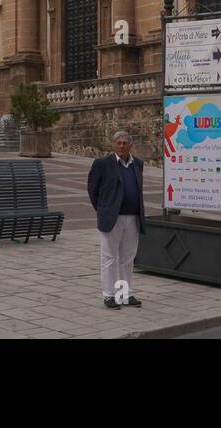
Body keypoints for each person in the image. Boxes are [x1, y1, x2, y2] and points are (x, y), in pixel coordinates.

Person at [87, 131, 147, 309]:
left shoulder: (138, 164)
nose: (122, 146)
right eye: (119, 143)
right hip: (112, 218)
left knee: (128, 259)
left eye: (125, 143)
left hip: (133, 217)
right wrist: (103, 209)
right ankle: (109, 295)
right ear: (113, 145)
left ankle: (125, 294)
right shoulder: (102, 164)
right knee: (109, 258)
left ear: (130, 145)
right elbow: (93, 189)